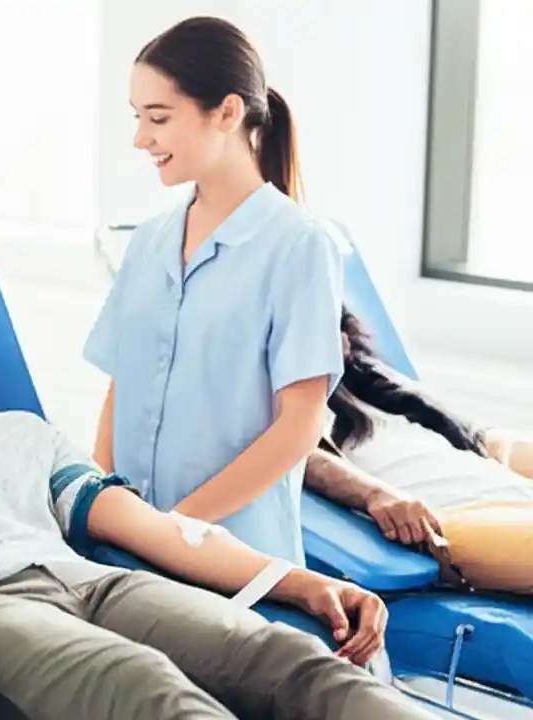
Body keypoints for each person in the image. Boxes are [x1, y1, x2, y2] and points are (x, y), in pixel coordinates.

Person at [0, 238, 432, 719]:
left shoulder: (20, 431)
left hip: (93, 585)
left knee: (283, 656)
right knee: (142, 687)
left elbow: (156, 531)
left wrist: (300, 582)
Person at [83, 17, 343, 566]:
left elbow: (300, 427)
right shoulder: (149, 241)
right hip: (130, 552)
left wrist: (176, 528)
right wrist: (103, 506)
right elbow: (121, 388)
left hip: (235, 557)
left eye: (158, 118)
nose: (140, 138)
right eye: (137, 117)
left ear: (227, 112)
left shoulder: (299, 245)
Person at [304, 306, 533, 594]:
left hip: (514, 496)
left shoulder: (376, 389)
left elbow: (484, 441)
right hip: (452, 517)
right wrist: (374, 495)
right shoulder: (299, 413)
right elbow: (301, 458)